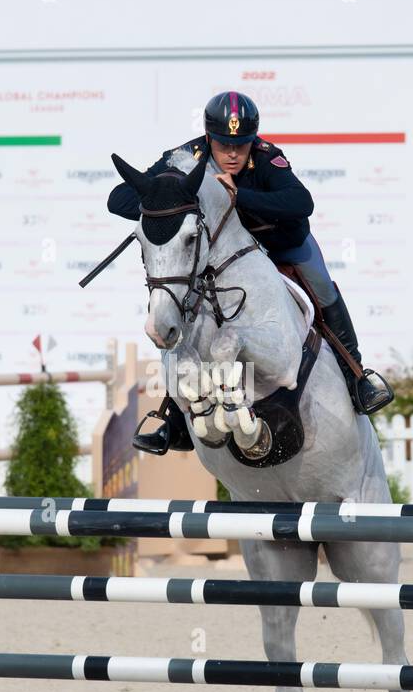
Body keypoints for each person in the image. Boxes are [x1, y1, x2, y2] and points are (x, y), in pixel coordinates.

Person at [107, 90, 394, 455]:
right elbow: (118, 200)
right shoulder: (187, 158)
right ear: (208, 138)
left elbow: (301, 202)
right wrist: (165, 199)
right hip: (224, 255)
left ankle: (357, 377)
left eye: (240, 145)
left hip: (279, 243)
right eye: (224, 144)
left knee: (321, 283)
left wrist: (237, 197)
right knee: (185, 308)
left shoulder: (267, 156)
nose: (232, 153)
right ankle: (175, 419)